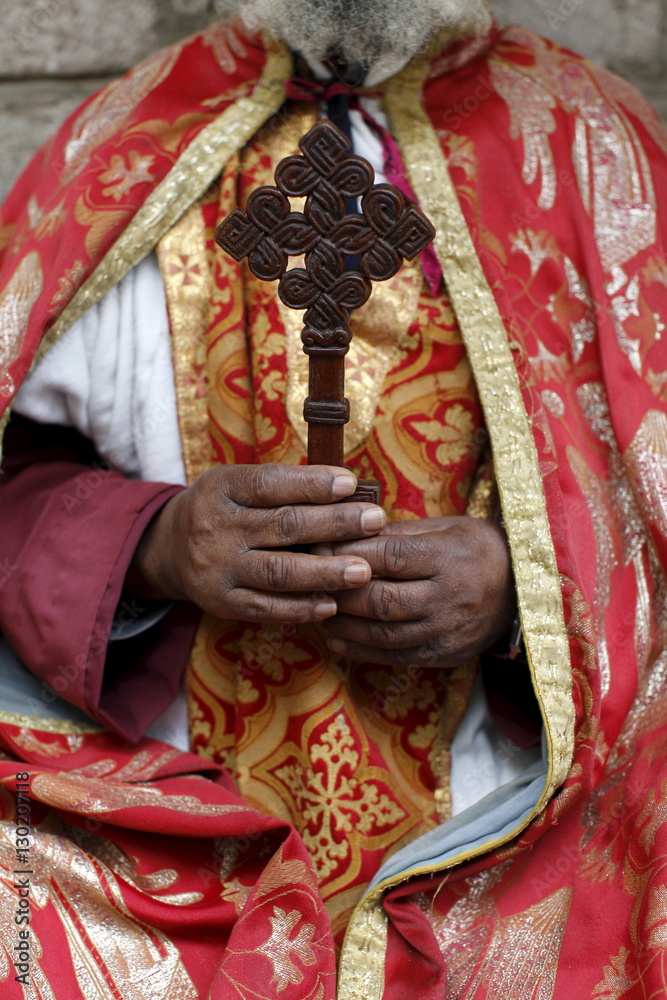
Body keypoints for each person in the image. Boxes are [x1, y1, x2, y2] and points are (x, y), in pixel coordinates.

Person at [0, 0, 666, 995]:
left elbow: (646, 492)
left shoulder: (588, 141)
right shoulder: (129, 138)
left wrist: (522, 592)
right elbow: (17, 474)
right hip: (166, 809)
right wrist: (156, 543)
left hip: (510, 809)